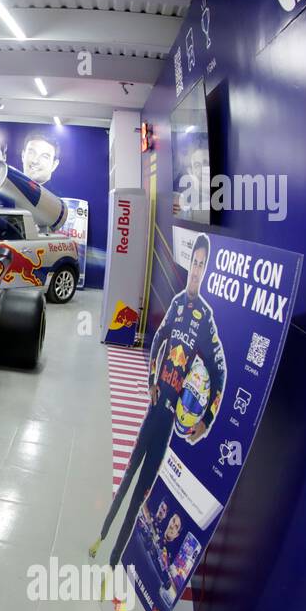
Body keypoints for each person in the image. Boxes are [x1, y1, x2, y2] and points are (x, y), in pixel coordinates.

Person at [90, 233, 226, 565]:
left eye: (202, 265)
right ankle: (102, 536)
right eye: (193, 263)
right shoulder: (178, 303)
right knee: (127, 479)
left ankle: (114, 562)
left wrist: (206, 421)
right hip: (153, 411)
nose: (196, 270)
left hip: (170, 425)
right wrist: (152, 380)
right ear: (190, 263)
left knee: (140, 496)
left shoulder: (206, 319)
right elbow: (158, 340)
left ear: (207, 270)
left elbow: (219, 374)